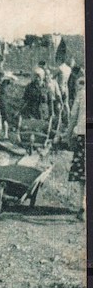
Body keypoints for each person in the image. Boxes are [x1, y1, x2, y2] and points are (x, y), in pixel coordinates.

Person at [56, 74, 86, 220]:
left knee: (83, 174)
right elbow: (73, 117)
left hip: (83, 136)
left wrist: (68, 135)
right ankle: (83, 206)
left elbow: (73, 117)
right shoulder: (82, 93)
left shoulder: (82, 93)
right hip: (83, 136)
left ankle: (82, 206)